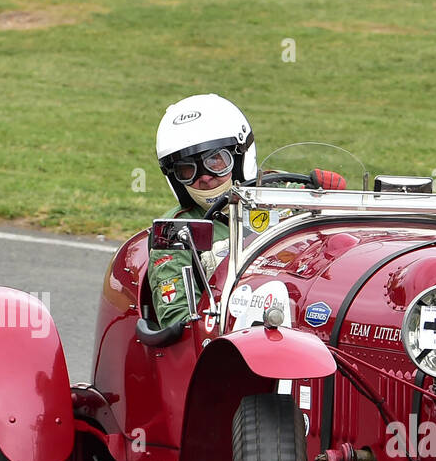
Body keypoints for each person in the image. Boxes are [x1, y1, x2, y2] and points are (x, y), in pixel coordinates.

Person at [148, 94, 345, 326]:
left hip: (303, 316)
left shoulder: (281, 192)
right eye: (187, 170)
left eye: (216, 161)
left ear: (239, 157)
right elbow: (176, 318)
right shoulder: (174, 231)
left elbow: (333, 249)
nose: (205, 177)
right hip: (229, 338)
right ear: (175, 177)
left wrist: (329, 197)